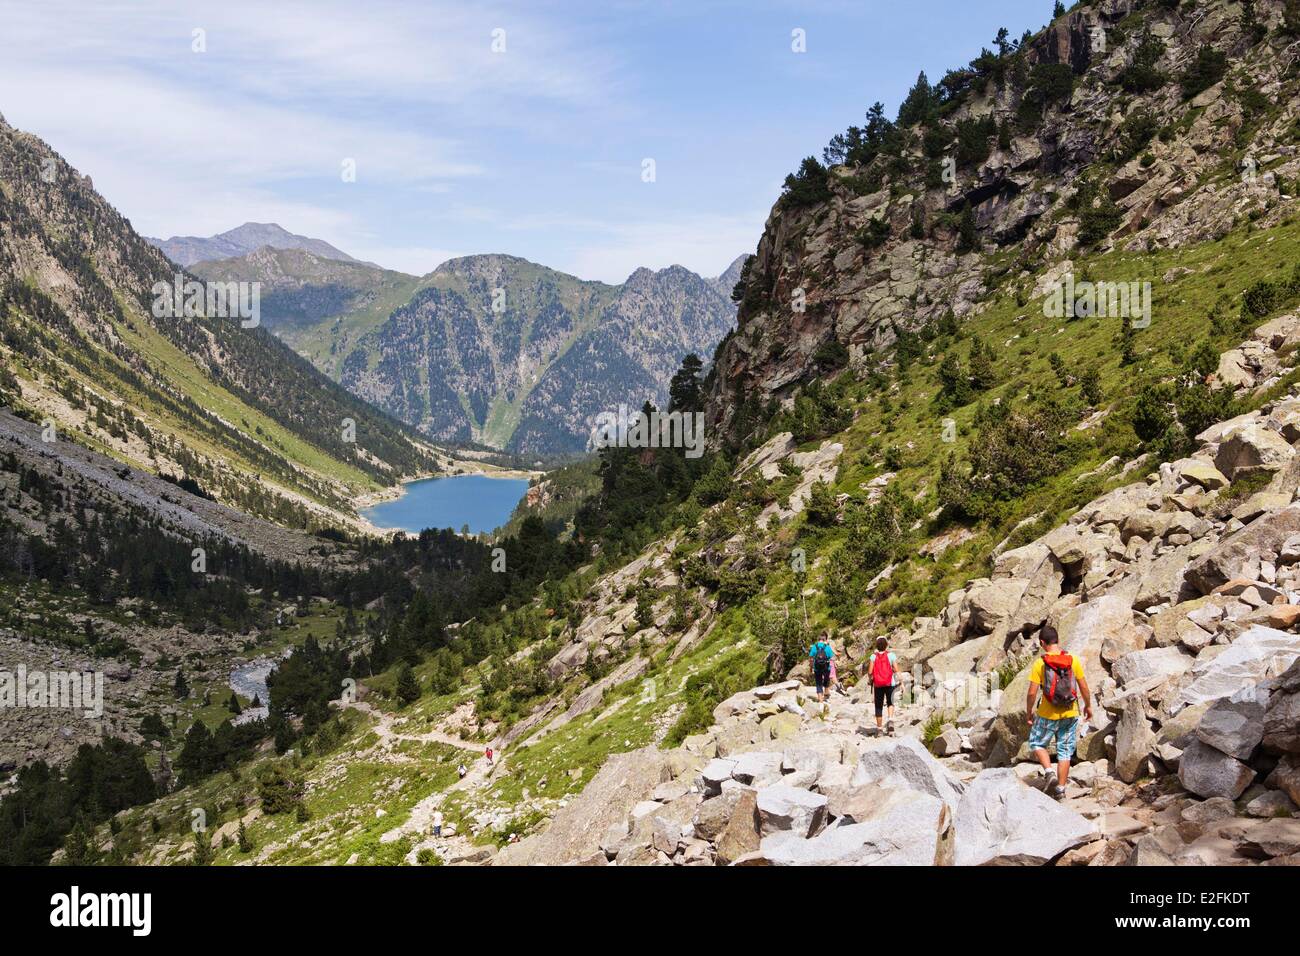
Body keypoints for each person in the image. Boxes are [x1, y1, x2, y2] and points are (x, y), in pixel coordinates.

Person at [1025, 624, 1094, 800]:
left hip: (1048, 713)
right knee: (1064, 751)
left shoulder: (1040, 663)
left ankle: (1049, 773)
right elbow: (1083, 686)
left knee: (1037, 742)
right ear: (1057, 640)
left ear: (1042, 642)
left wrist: (1029, 712)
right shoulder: (1073, 660)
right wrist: (1088, 705)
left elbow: (1032, 692)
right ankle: (1061, 791)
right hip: (1071, 712)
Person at [868, 637, 898, 735]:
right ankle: (890, 720)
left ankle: (880, 729)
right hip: (890, 683)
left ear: (877, 646)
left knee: (878, 706)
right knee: (890, 702)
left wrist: (870, 679)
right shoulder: (891, 655)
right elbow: (896, 669)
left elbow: (870, 671)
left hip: (878, 684)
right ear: (886, 645)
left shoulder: (873, 656)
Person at [808, 632, 836, 705]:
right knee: (826, 680)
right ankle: (826, 692)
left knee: (818, 683)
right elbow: (832, 657)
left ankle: (820, 701)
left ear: (818, 639)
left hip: (817, 668)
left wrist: (811, 668)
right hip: (826, 667)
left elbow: (811, 658)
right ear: (825, 639)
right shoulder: (827, 647)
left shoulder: (814, 647)